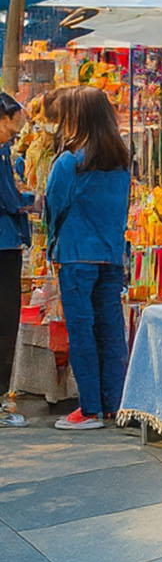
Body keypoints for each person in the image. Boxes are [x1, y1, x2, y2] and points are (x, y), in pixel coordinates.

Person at [44, 87, 132, 431]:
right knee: (111, 330)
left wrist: (52, 245)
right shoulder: (122, 159)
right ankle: (114, 403)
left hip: (76, 256)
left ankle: (89, 408)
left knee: (81, 331)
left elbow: (53, 206)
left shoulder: (69, 161)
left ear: (77, 117)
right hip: (110, 255)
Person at [0, 93, 31, 427]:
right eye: (12, 125)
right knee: (5, 322)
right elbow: (9, 199)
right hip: (4, 245)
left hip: (7, 242)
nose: (14, 133)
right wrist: (26, 202)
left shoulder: (4, 152)